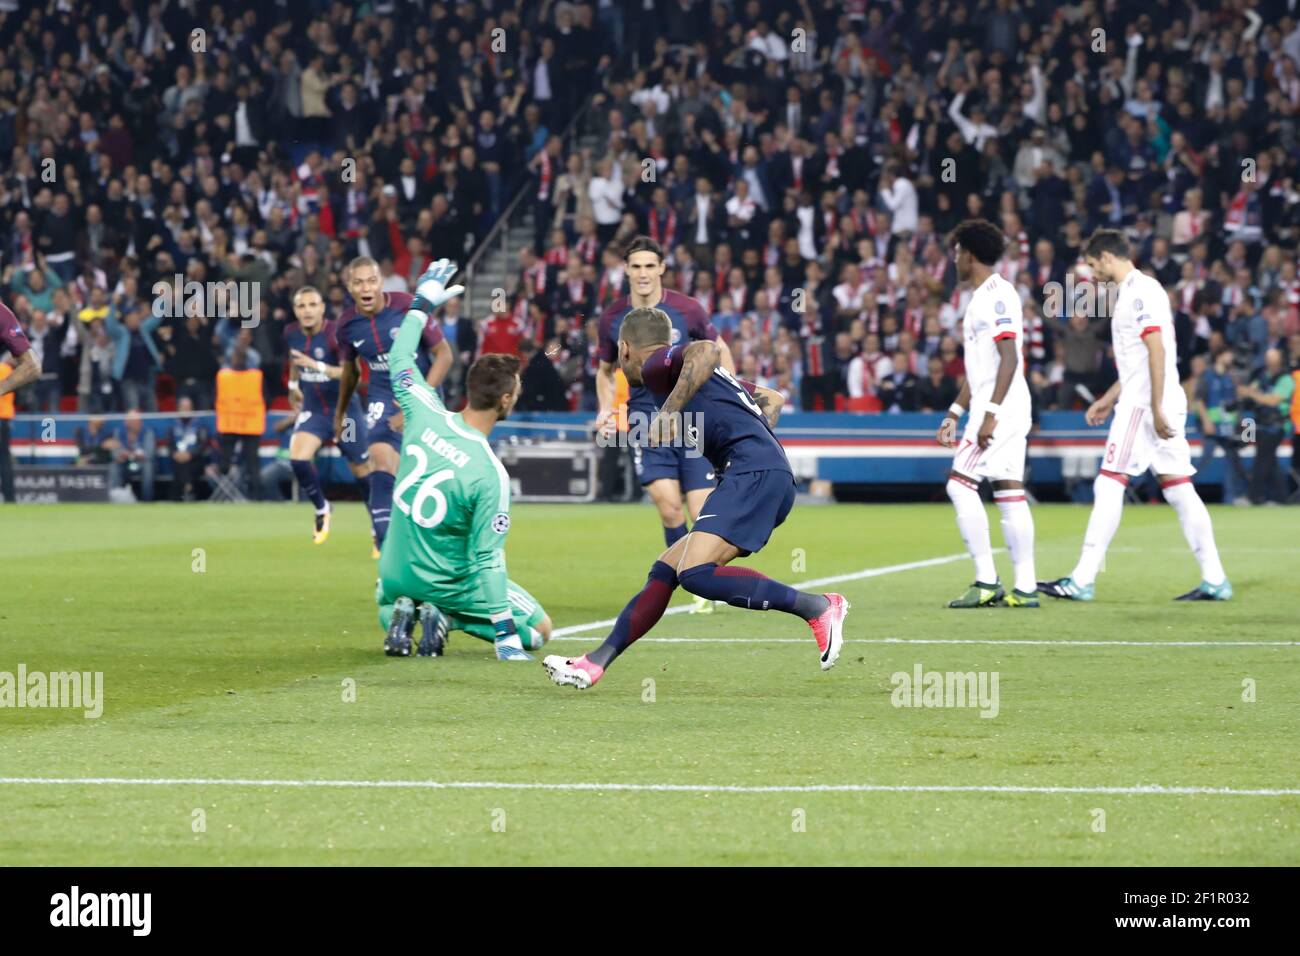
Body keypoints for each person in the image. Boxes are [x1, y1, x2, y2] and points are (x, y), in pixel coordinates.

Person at [543, 306, 850, 691]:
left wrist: (670, 413)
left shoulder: (657, 365)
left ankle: (817, 607)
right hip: (756, 473)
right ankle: (594, 663)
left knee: (695, 574)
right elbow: (771, 398)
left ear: (624, 348)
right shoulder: (711, 380)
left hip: (752, 473)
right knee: (666, 569)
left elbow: (706, 349)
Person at [1040, 230, 1231, 602]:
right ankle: (1215, 579)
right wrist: (1109, 398)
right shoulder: (1137, 290)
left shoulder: (1139, 292)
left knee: (1109, 482)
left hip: (1145, 406)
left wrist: (1156, 406)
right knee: (1179, 489)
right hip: (1152, 399)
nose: (1092, 275)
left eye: (1094, 266)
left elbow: (1156, 349)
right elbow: (1139, 361)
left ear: (1108, 257)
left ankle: (1082, 579)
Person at [375, 260, 551, 662]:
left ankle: (403, 613)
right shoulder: (490, 473)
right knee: (540, 631)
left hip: (394, 571)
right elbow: (488, 559)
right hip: (446, 582)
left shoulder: (422, 410)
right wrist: (505, 634)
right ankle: (447, 617)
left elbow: (400, 357)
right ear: (505, 400)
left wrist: (421, 304)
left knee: (388, 596)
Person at [593, 235, 734, 615]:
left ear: (661, 269)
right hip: (644, 421)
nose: (642, 273)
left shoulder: (687, 310)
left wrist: (734, 394)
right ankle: (686, 579)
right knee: (670, 508)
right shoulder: (611, 318)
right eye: (635, 266)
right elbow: (605, 371)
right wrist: (606, 409)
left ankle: (699, 576)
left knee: (701, 508)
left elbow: (717, 350)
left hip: (691, 418)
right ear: (626, 270)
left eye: (648, 266)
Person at [936, 219, 1038, 608]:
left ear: (970, 253)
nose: (955, 260)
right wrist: (955, 410)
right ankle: (1025, 587)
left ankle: (986, 580)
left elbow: (1009, 356)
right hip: (998, 404)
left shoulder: (997, 295)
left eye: (957, 252)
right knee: (1009, 491)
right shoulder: (982, 297)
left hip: (1001, 408)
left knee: (959, 484)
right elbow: (983, 367)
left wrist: (990, 413)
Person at [335, 257, 453, 553]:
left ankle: (429, 547)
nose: (366, 287)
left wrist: (417, 404)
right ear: (350, 287)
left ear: (380, 283)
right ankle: (386, 544)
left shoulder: (406, 306)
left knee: (426, 480)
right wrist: (341, 411)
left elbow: (444, 355)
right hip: (382, 397)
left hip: (422, 393)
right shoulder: (347, 325)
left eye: (371, 280)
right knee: (380, 461)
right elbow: (351, 371)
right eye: (359, 282)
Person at [284, 285, 375, 547]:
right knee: (298, 459)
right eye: (302, 306)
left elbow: (352, 374)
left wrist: (317, 366)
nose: (307, 310)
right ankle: (323, 507)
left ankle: (377, 523)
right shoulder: (290, 333)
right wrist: (292, 387)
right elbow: (294, 359)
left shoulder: (337, 334)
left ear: (322, 308)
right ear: (295, 310)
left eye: (313, 305)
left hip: (344, 412)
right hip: (314, 409)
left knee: (360, 469)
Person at [1239, 347, 1294, 505]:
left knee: (1261, 459)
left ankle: (1254, 497)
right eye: (1268, 359)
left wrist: (1252, 394)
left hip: (1277, 426)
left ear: (1280, 360)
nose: (1270, 362)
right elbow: (1249, 391)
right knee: (1270, 461)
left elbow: (1273, 400)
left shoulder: (1286, 379)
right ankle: (1281, 497)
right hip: (1262, 424)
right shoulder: (1263, 376)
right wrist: (1248, 391)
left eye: (1273, 359)